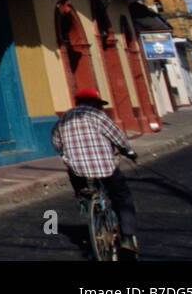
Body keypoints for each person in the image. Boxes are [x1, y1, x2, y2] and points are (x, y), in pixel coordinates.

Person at [51, 90, 140, 256]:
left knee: (76, 176)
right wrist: (129, 151)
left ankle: (85, 198)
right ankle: (127, 238)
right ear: (94, 104)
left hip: (79, 171)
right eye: (99, 105)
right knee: (122, 197)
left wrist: (66, 150)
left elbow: (56, 141)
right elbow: (118, 137)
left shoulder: (64, 118)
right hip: (105, 168)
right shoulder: (98, 116)